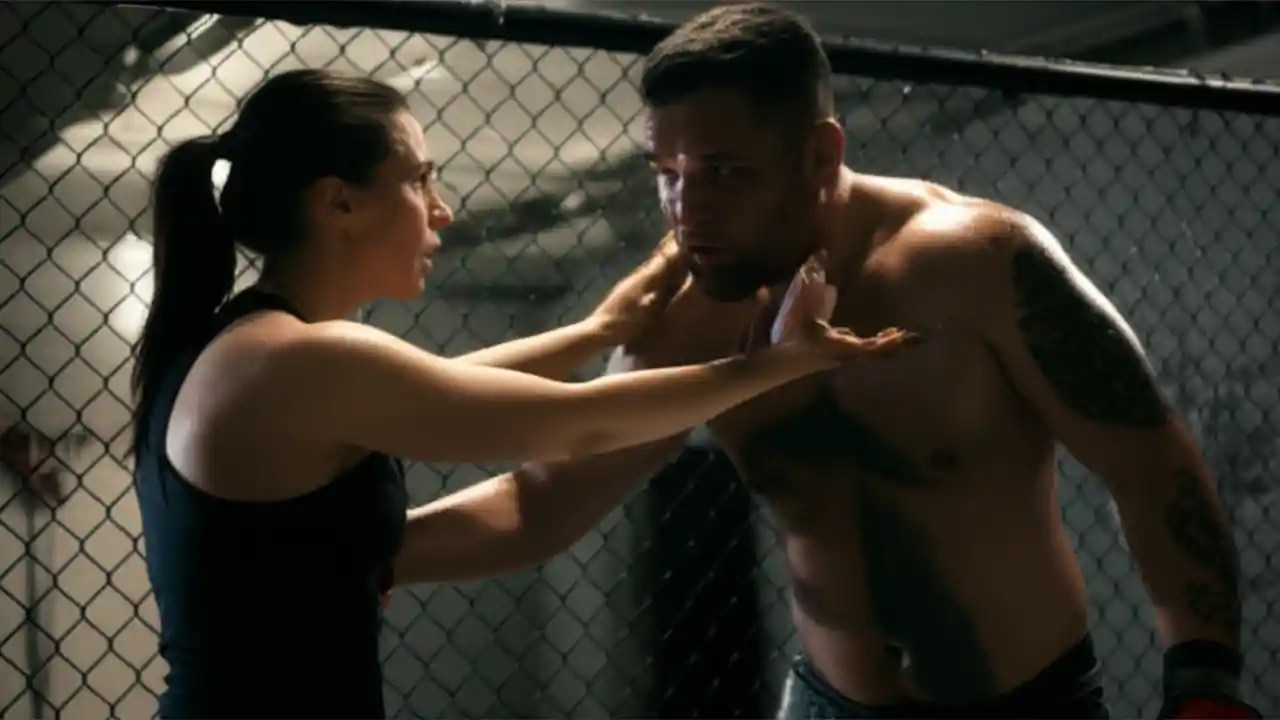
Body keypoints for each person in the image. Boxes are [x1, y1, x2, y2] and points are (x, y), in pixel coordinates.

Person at [408, 4, 1260, 719]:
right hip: (825, 703)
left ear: (821, 154)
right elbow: (542, 500)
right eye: (665, 173)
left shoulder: (974, 262)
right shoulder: (695, 314)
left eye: (723, 172)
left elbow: (1147, 464)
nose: (684, 209)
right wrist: (350, 552)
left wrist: (1204, 682)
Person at [130, 67, 909, 719]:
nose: (441, 210)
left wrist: (595, 333)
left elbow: (448, 387)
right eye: (420, 180)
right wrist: (779, 362)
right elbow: (576, 427)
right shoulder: (297, 362)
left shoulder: (258, 347)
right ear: (340, 204)